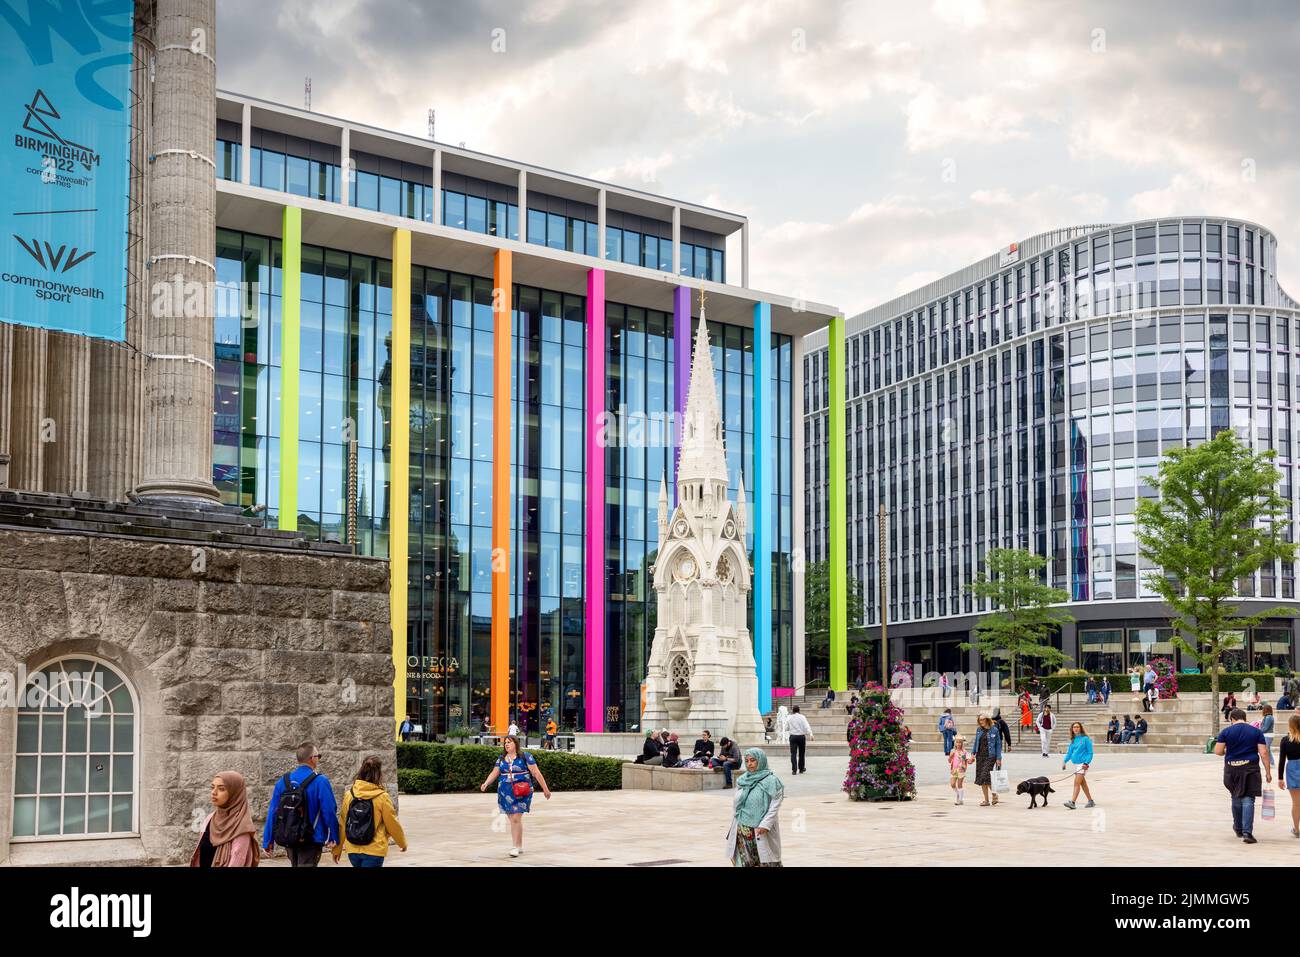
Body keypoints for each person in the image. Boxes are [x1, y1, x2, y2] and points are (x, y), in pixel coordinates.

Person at [263, 741, 338, 867]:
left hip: (289, 837)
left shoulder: (283, 781)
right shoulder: (320, 781)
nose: (318, 759)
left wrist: (268, 840)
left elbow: (273, 812)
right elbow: (329, 810)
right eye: (318, 756)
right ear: (312, 759)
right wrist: (333, 836)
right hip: (311, 838)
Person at [479, 734, 551, 858]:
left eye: (509, 742)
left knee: (516, 819)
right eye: (505, 742)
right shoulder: (501, 758)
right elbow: (495, 772)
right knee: (513, 820)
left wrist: (545, 789)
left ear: (516, 744)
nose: (506, 744)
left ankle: (515, 847)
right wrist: (486, 783)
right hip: (505, 792)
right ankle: (520, 845)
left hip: (522, 792)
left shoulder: (525, 756)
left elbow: (536, 773)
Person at [332, 756, 407, 867]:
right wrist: (402, 843)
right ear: (378, 774)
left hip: (353, 850)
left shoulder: (350, 794)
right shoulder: (382, 797)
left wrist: (337, 849)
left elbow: (342, 823)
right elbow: (392, 823)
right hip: (374, 850)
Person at [1215, 708, 1272, 843]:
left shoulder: (1226, 732)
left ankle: (1238, 827)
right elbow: (1263, 753)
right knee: (1248, 799)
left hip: (1231, 769)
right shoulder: (1256, 732)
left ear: (1232, 719)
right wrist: (1268, 772)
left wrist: (1227, 752)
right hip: (1250, 768)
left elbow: (1217, 751)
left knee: (1235, 797)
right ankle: (1247, 833)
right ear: (1244, 718)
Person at [725, 748, 783, 867]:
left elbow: (774, 807)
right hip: (743, 828)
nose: (749, 764)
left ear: (760, 761)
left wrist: (765, 825)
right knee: (744, 862)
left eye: (753, 760)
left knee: (766, 861)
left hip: (761, 829)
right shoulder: (743, 780)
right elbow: (737, 804)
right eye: (747, 761)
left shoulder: (772, 781)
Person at [191, 771, 259, 867]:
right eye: (212, 787)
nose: (214, 792)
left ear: (234, 793)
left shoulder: (242, 827)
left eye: (221, 789)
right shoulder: (209, 819)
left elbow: (237, 861)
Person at [1060, 722, 1096, 809]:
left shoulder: (1085, 739)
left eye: (1077, 727)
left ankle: (1072, 802)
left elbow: (1090, 753)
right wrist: (1064, 762)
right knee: (1083, 783)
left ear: (1080, 728)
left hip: (1083, 765)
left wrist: (1086, 763)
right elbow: (1069, 753)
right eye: (1074, 727)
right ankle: (1091, 801)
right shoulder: (1073, 740)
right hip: (1076, 765)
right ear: (1072, 729)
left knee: (1076, 783)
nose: (1076, 728)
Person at [971, 714, 1003, 807]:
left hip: (990, 756)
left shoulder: (995, 730)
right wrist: (973, 754)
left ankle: (994, 794)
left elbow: (998, 745)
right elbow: (976, 742)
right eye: (979, 720)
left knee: (985, 775)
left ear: (987, 720)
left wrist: (998, 758)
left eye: (982, 720)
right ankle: (986, 800)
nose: (981, 722)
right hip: (980, 756)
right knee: (982, 778)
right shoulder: (979, 730)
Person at [1276, 714, 1300, 838]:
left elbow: (1281, 760)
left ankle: (1296, 829)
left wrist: (1280, 778)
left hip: (1293, 769)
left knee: (1296, 803)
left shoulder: (1285, 740)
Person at [786, 705, 814, 774]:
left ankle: (794, 770)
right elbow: (806, 726)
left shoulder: (789, 718)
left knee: (793, 754)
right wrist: (811, 734)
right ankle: (801, 768)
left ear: (793, 710)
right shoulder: (802, 717)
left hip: (793, 737)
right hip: (801, 737)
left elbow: (786, 728)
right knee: (801, 753)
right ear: (799, 710)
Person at [949, 735, 970, 805]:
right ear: (955, 743)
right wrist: (951, 756)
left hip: (961, 769)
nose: (958, 744)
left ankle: (960, 800)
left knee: (959, 784)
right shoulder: (953, 751)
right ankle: (958, 793)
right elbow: (949, 761)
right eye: (957, 742)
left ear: (962, 743)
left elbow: (966, 761)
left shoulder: (964, 752)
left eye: (960, 743)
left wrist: (965, 765)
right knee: (952, 784)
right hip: (954, 769)